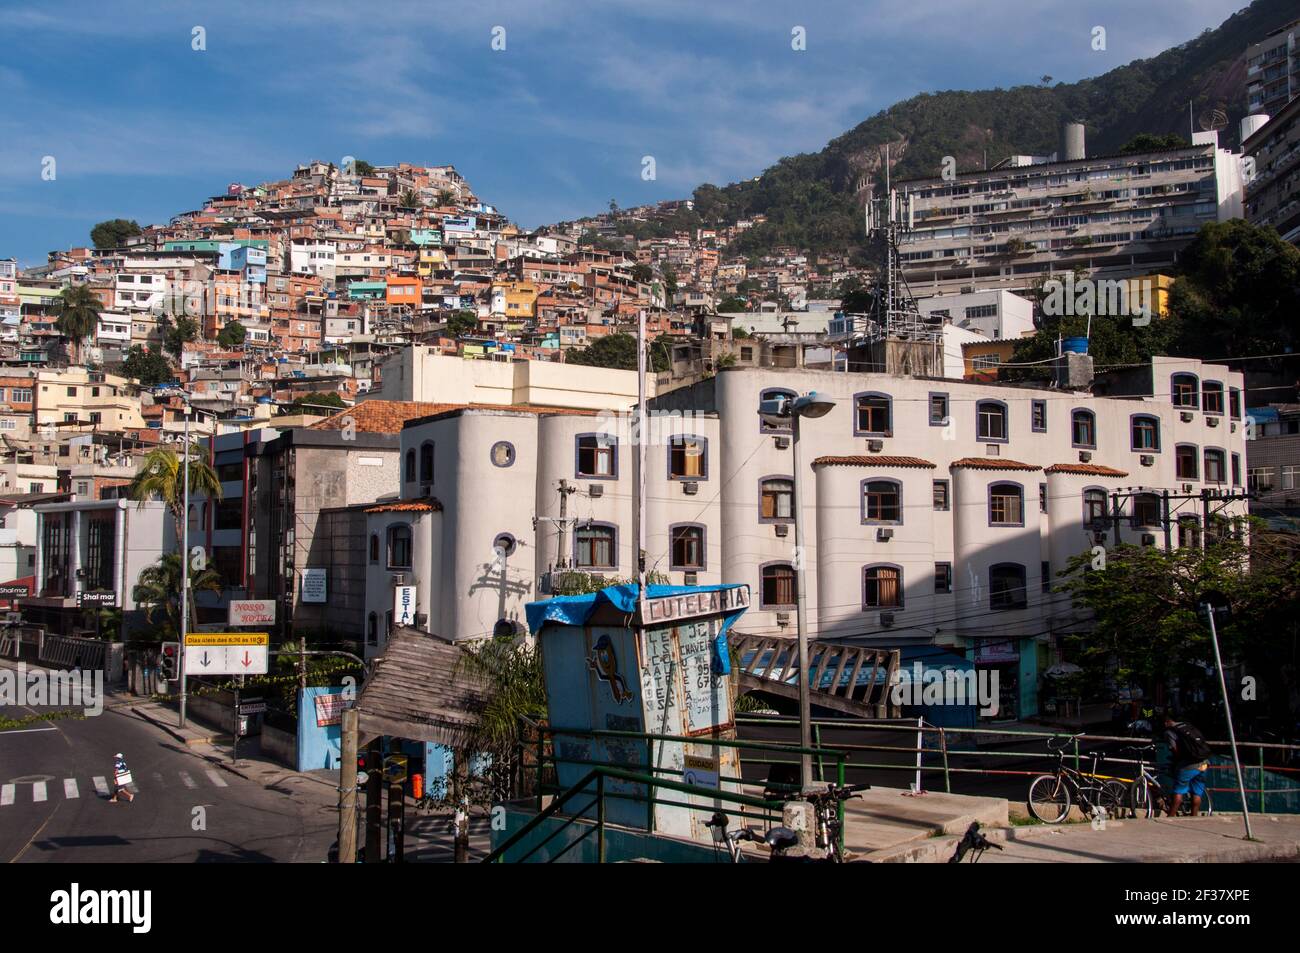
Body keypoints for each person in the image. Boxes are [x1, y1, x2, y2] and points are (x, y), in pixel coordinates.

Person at [1162, 711, 1211, 816]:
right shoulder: (1189, 727)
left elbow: (1175, 750)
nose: (1164, 724)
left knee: (1178, 791)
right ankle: (1194, 817)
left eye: (1165, 721)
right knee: (1197, 792)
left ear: (1169, 721)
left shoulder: (1170, 732)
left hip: (1188, 765)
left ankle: (1170, 816)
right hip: (1203, 763)